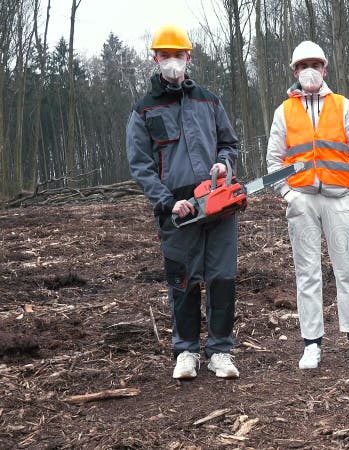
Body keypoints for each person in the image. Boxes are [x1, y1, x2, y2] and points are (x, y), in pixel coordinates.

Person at [126, 25, 240, 380]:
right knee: (183, 280)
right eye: (166, 56)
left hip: (217, 203)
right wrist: (166, 201)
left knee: (222, 277)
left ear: (189, 58)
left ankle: (220, 349)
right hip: (177, 210)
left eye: (179, 55)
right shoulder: (144, 110)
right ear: (156, 59)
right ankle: (186, 350)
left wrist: (224, 163)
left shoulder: (209, 100)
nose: (173, 62)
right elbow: (140, 165)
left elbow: (229, 142)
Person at [266, 41, 349, 369]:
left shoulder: (343, 106)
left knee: (346, 270)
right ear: (294, 71)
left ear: (325, 68)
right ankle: (312, 345)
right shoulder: (284, 112)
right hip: (302, 200)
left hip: (340, 198)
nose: (310, 70)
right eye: (303, 65)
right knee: (307, 273)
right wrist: (289, 195)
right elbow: (274, 158)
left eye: (315, 63)